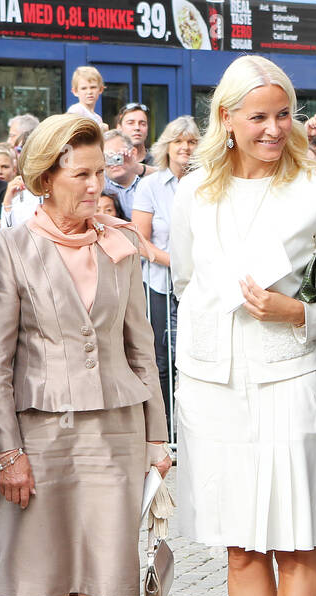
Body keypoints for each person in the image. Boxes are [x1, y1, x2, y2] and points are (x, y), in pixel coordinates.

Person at [0, 113, 171, 596]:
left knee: (106, 577)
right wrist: (8, 453)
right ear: (45, 177)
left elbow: (141, 345)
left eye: (102, 173)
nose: (98, 187)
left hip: (116, 428)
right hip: (41, 434)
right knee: (46, 578)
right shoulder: (9, 248)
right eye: (82, 175)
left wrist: (157, 435)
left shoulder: (120, 242)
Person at [168, 56, 316, 596]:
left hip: (287, 378)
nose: (272, 128)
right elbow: (181, 280)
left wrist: (292, 310)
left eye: (282, 113)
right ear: (228, 120)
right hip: (213, 385)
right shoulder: (191, 195)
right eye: (258, 115)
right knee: (242, 548)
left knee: (295, 542)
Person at [133, 114, 199, 419]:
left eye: (192, 141)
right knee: (160, 359)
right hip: (159, 284)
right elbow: (140, 241)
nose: (185, 147)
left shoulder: (207, 183)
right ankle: (164, 429)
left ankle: (191, 425)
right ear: (167, 147)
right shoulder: (150, 186)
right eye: (179, 141)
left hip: (199, 286)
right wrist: (177, 262)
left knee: (194, 355)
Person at [101, 130, 142, 219]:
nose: (113, 162)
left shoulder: (148, 184)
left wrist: (136, 167)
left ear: (133, 153)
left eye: (118, 155)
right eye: (107, 157)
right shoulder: (98, 186)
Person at [114, 102, 152, 168]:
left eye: (142, 124)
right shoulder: (111, 163)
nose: (137, 128)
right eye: (130, 123)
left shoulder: (160, 162)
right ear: (119, 128)